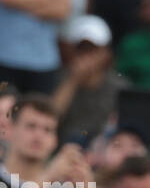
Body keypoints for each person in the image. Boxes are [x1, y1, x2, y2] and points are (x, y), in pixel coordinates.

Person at [53, 15, 126, 145]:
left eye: (93, 49)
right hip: (62, 148)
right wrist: (72, 82)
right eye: (82, 49)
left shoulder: (120, 87)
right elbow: (50, 118)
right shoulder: (58, 79)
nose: (87, 55)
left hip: (102, 152)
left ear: (106, 53)